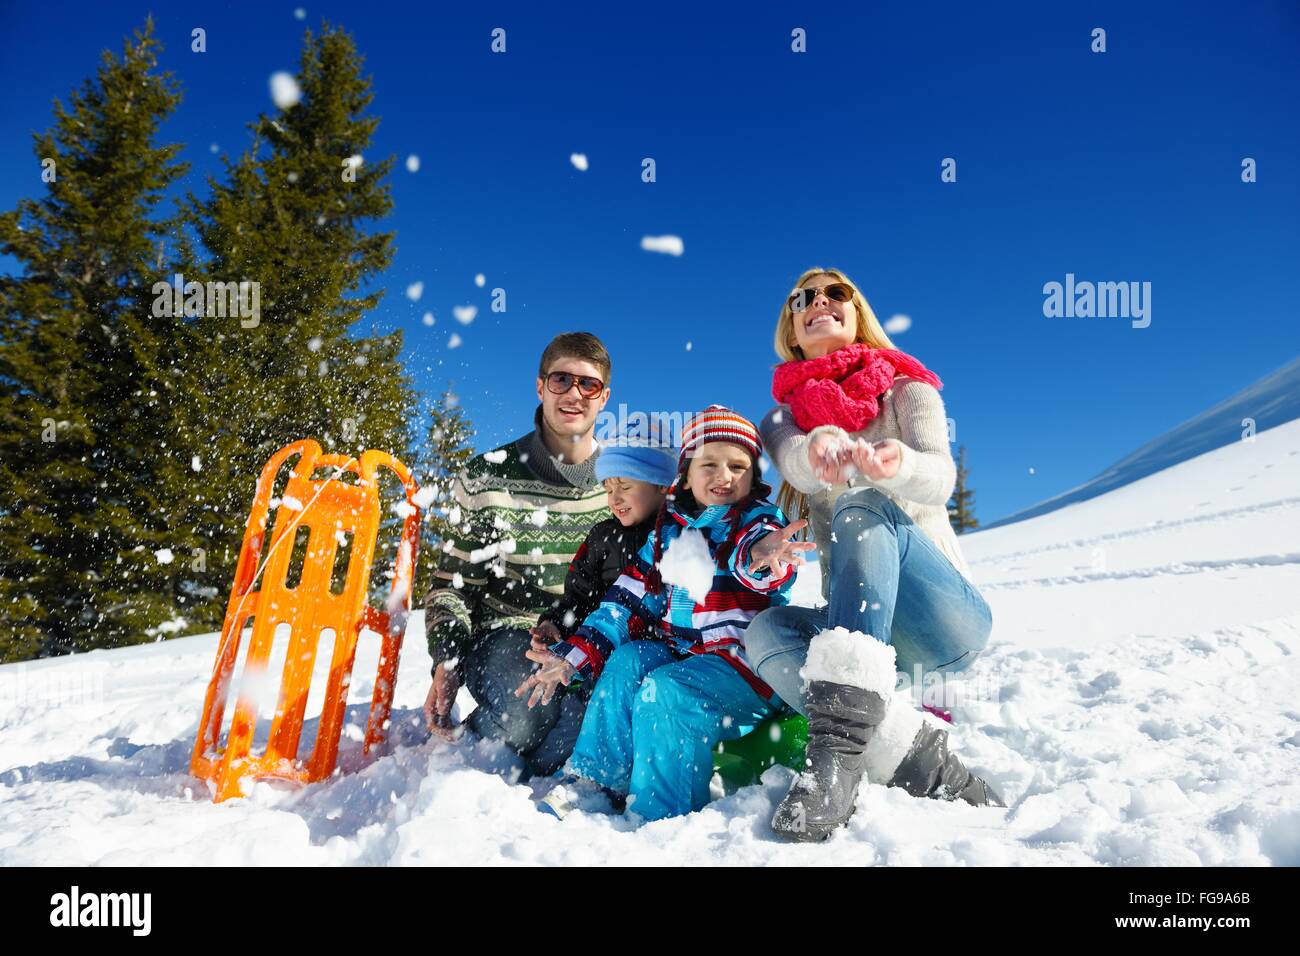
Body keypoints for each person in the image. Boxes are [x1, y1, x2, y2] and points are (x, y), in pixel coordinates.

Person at [746, 268, 1003, 842]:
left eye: (835, 293)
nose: (819, 302)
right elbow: (793, 461)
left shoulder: (909, 389)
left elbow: (939, 476)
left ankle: (833, 762)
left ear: (857, 310)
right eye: (802, 298)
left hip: (940, 619)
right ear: (790, 325)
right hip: (873, 648)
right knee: (764, 632)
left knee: (861, 504)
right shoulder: (783, 418)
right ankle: (923, 761)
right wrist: (820, 445)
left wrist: (900, 467)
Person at [519, 406, 814, 821]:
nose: (724, 475)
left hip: (742, 668)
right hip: (685, 654)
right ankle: (598, 781)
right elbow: (624, 602)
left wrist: (764, 556)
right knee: (627, 660)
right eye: (709, 464)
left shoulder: (755, 520)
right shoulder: (665, 534)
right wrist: (573, 657)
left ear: (752, 477)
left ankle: (661, 815)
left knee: (667, 689)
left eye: (737, 465)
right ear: (686, 474)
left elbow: (756, 559)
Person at [421, 332, 614, 778]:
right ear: (540, 387)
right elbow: (452, 586)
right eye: (561, 380)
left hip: (589, 640)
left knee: (595, 718)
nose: (573, 394)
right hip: (506, 635)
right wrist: (446, 660)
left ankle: (551, 754)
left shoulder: (620, 484)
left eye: (587, 384)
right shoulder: (488, 476)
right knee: (530, 712)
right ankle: (479, 751)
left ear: (604, 397)